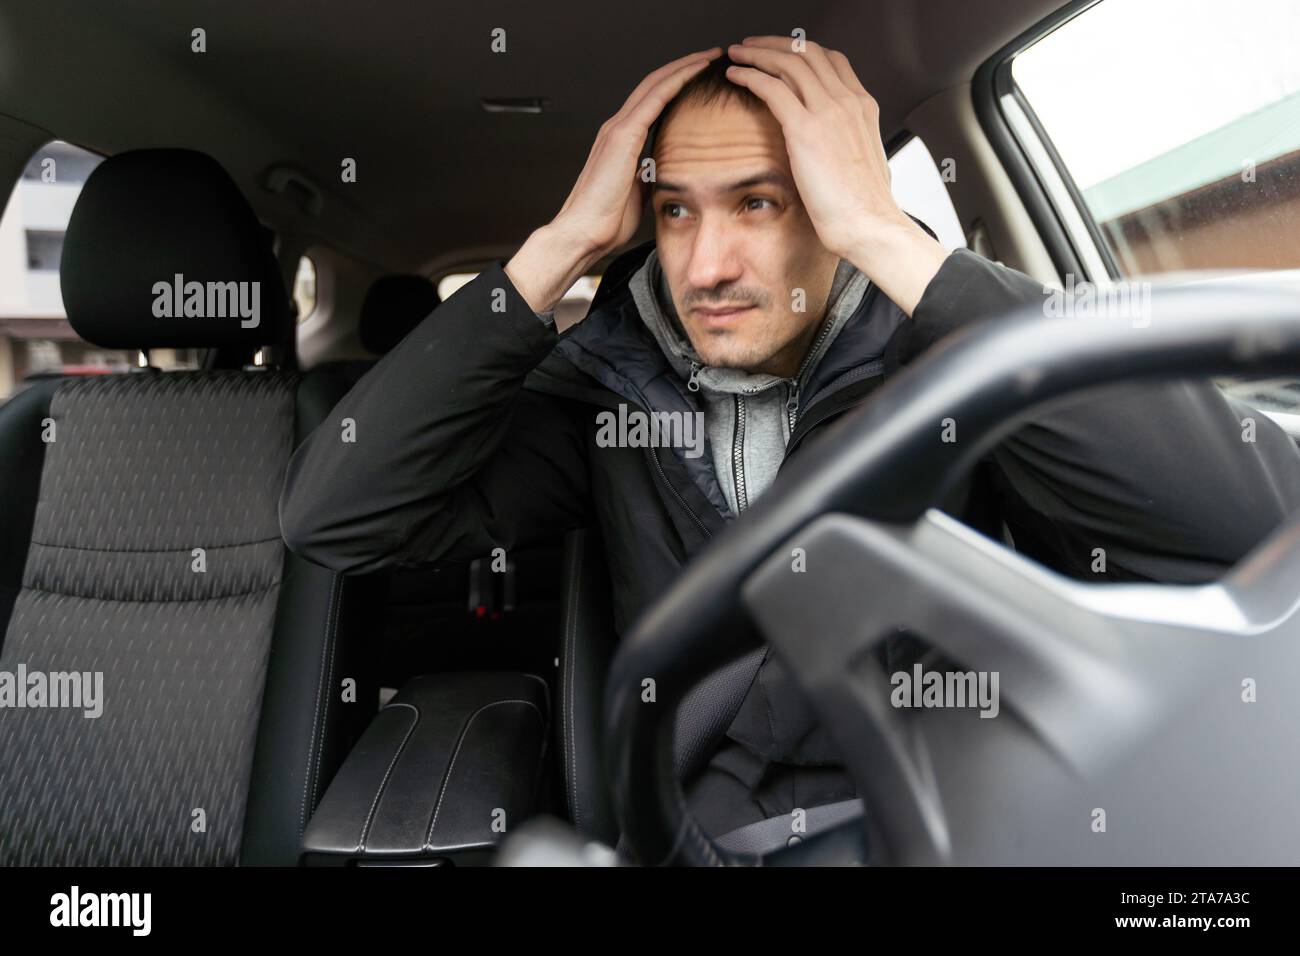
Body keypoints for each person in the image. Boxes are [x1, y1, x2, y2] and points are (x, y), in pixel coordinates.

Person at [279, 39, 1300, 848]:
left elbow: (1256, 526)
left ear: (834, 198)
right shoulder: (603, 388)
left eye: (759, 201)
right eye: (674, 211)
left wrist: (892, 239)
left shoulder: (950, 365)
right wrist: (562, 246)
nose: (707, 263)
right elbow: (336, 516)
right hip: (691, 837)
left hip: (943, 826)